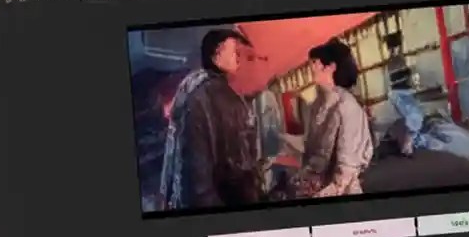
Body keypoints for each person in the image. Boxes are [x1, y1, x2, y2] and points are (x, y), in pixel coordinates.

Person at [158, 29, 261, 210]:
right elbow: (232, 166)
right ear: (215, 57)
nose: (238, 57)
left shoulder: (192, 89)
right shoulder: (221, 99)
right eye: (234, 52)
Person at [281, 38, 373, 198]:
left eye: (315, 62)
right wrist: (281, 139)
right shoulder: (318, 104)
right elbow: (310, 144)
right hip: (316, 186)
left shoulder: (347, 107)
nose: (312, 67)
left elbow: (347, 169)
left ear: (331, 67)